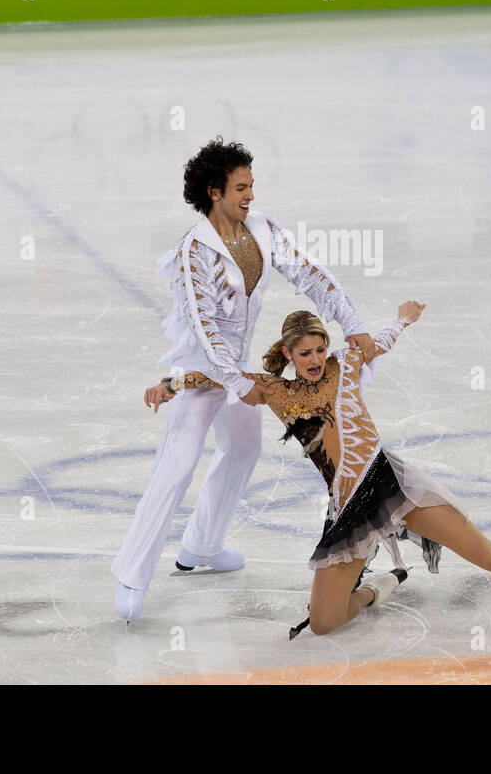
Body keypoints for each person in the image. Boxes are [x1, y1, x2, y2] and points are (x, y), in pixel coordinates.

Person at [144, 302, 491, 645]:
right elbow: (217, 377)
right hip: (346, 510)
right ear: (288, 354)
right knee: (323, 622)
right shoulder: (274, 392)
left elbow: (378, 343)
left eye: (319, 349)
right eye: (305, 353)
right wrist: (171, 383)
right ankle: (381, 585)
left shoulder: (344, 365)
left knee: (487, 554)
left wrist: (404, 318)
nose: (314, 359)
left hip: (390, 485)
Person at [112, 139, 375, 622]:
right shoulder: (194, 252)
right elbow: (205, 326)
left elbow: (311, 273)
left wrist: (350, 320)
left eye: (252, 184)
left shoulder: (262, 229)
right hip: (201, 371)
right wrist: (235, 382)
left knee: (243, 448)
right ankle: (131, 572)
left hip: (238, 371)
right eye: (240, 187)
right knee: (178, 464)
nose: (250, 194)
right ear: (214, 192)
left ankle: (203, 544)